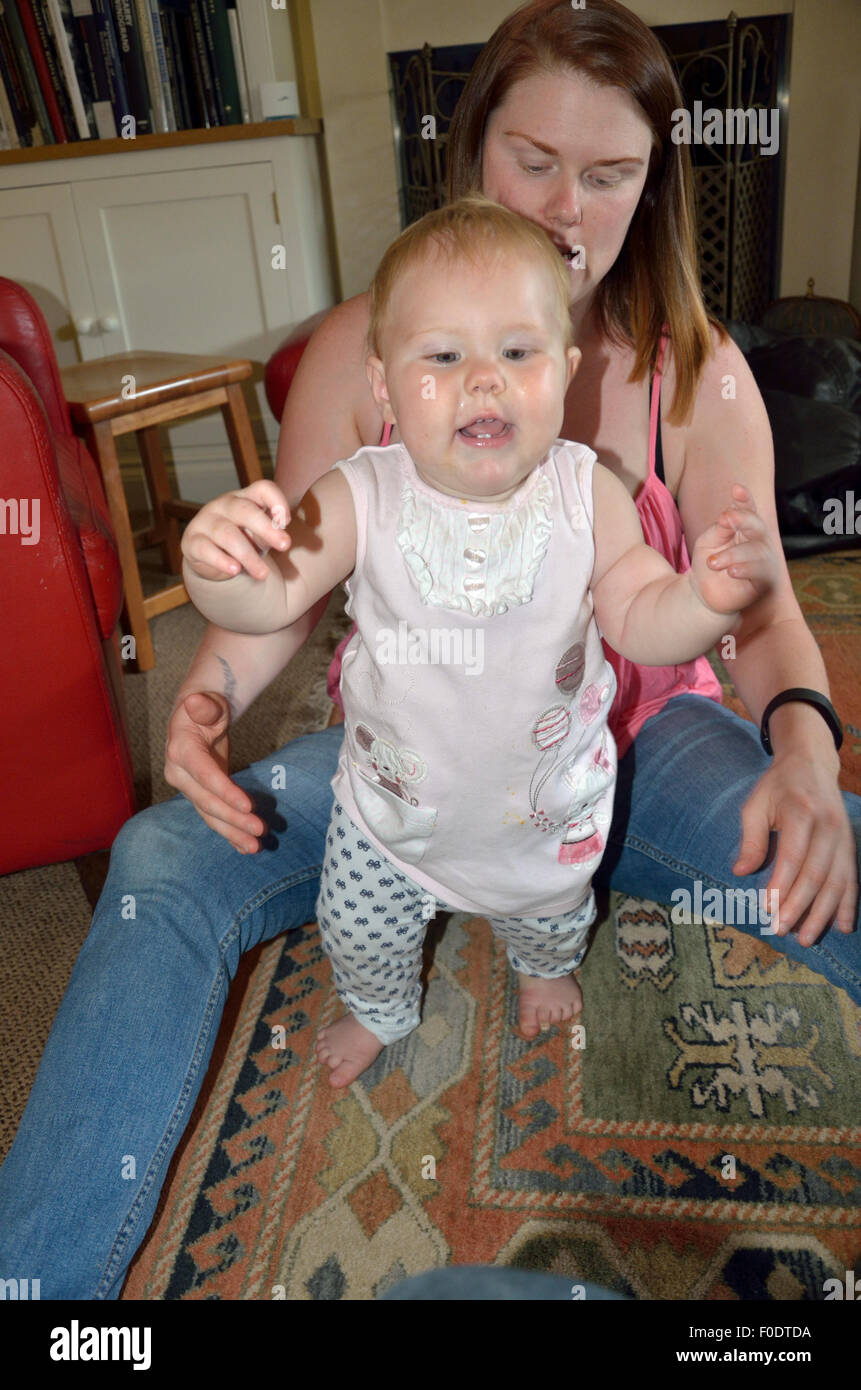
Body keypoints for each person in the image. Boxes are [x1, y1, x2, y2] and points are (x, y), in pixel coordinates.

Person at [0, 0, 856, 1300]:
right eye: (533, 160)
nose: (568, 206)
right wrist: (209, 694)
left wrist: (799, 745)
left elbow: (755, 608)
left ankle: (563, 940)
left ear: (652, 184)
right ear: (469, 158)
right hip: (397, 756)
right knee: (161, 855)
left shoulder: (700, 371)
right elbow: (282, 585)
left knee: (833, 841)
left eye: (609, 171)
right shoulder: (366, 354)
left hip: (638, 739)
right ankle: (35, 1291)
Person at [180, 196, 779, 1087]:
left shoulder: (587, 492)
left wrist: (706, 599)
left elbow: (639, 618)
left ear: (564, 372)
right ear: (383, 386)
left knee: (551, 913)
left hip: (544, 807)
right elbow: (271, 599)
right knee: (357, 928)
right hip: (390, 811)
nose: (484, 380)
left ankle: (541, 964)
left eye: (515, 352)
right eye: (444, 356)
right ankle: (381, 1007)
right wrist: (212, 563)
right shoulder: (360, 494)